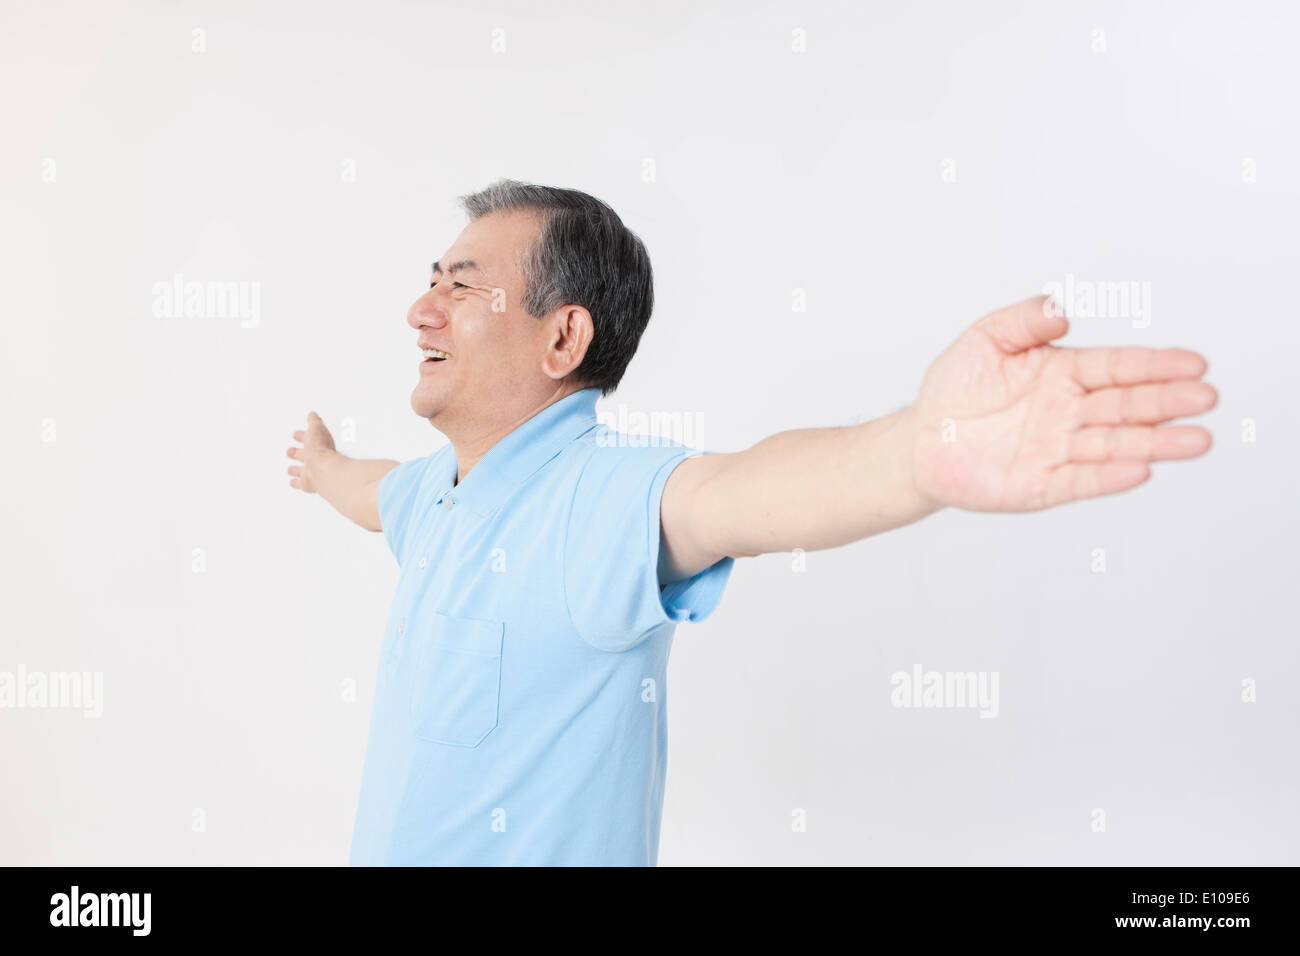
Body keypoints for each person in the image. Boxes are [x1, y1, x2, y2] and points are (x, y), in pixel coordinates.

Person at [286, 179, 1216, 865]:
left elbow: (744, 493)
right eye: (431, 281)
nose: (421, 310)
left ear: (562, 338)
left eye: (460, 286)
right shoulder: (436, 495)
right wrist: (324, 468)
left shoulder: (598, 501)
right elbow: (377, 493)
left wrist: (914, 451)